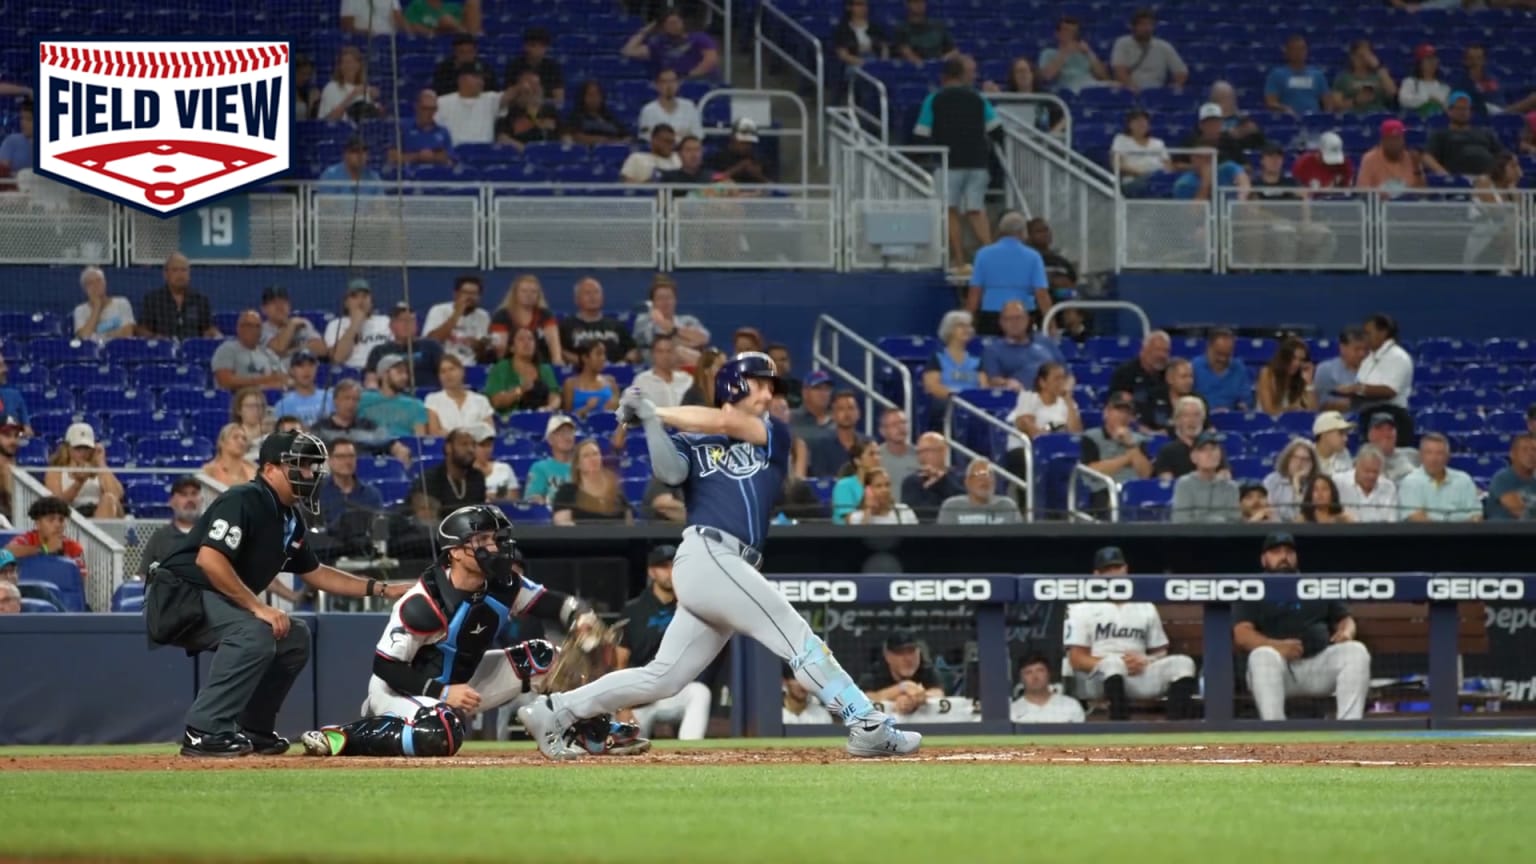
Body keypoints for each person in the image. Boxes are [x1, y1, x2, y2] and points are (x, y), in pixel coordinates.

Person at [518, 353, 921, 759]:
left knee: (663, 677)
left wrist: (654, 410)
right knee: (798, 639)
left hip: (726, 565)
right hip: (708, 553)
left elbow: (727, 423)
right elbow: (670, 473)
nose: (769, 393)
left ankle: (555, 709)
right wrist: (652, 424)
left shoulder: (774, 433)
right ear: (735, 386)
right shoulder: (691, 441)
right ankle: (866, 723)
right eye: (760, 384)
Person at [300, 504, 645, 758]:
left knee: (545, 657)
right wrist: (442, 692)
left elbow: (554, 604)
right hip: (402, 691)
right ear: (454, 552)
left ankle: (590, 732)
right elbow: (386, 666)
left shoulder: (504, 583)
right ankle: (349, 735)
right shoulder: (423, 601)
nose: (492, 547)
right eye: (480, 540)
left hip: (463, 685)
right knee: (441, 733)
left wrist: (581, 617)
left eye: (493, 538)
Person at [147, 433, 409, 756]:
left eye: (312, 467)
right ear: (270, 469)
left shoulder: (289, 518)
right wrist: (259, 607)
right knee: (256, 632)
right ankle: (204, 730)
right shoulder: (243, 498)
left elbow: (316, 572)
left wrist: (383, 589)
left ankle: (252, 728)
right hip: (178, 595)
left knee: (294, 637)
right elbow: (209, 560)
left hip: (213, 597)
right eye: (300, 466)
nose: (309, 474)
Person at [1233, 533, 1371, 721]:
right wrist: (1277, 647)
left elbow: (1345, 618)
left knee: (1356, 651)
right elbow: (1242, 633)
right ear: (1263, 559)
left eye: (1289, 552)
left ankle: (1349, 729)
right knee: (1262, 656)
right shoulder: (1252, 588)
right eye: (1276, 552)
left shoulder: (1316, 584)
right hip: (1276, 670)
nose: (1284, 557)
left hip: (1318, 667)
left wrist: (1345, 632)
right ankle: (1275, 731)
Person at [1065, 547, 1199, 721]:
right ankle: (1120, 725)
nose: (1113, 574)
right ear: (1096, 575)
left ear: (1125, 570)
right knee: (1113, 663)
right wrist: (1116, 663)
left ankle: (1175, 728)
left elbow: (1160, 651)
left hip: (1140, 672)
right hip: (1100, 679)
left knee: (1183, 663)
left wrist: (1145, 660)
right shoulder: (1081, 608)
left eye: (1117, 568)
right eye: (1107, 570)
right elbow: (1076, 659)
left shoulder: (1145, 606)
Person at [612, 544, 713, 741]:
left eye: (674, 566)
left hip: (674, 692)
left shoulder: (691, 607)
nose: (670, 572)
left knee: (699, 692)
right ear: (652, 572)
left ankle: (689, 751)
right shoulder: (634, 610)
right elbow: (619, 662)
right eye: (663, 567)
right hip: (640, 698)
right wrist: (622, 707)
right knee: (629, 745)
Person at [44, 423, 124, 518]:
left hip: (98, 513)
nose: (83, 452)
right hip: (71, 517)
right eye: (78, 448)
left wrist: (101, 463)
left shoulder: (99, 471)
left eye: (87, 448)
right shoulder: (55, 472)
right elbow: (56, 505)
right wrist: (79, 483)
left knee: (109, 499)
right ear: (67, 447)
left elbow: (116, 495)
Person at [4, 496, 90, 582]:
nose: (58, 525)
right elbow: (6, 553)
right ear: (38, 524)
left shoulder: (73, 547)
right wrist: (45, 549)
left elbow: (80, 580)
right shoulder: (27, 539)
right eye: (51, 520)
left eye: (61, 520)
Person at [551, 440, 634, 525]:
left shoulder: (615, 493)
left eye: (595, 454)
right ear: (577, 464)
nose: (592, 459)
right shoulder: (567, 492)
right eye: (586, 456)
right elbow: (563, 524)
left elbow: (629, 524)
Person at [485, 327, 562, 415]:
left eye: (530, 339)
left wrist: (549, 408)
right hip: (511, 419)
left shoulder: (545, 369)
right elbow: (495, 402)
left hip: (542, 416)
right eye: (521, 339)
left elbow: (555, 396)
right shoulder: (501, 368)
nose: (527, 342)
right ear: (512, 348)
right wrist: (520, 390)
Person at [139, 477, 204, 577]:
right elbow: (143, 575)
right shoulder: (160, 537)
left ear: (202, 500)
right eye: (184, 495)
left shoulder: (211, 534)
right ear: (172, 502)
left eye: (194, 494)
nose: (190, 499)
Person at [1255, 336, 1317, 417]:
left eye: (1301, 360)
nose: (1297, 363)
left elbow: (1312, 412)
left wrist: (1309, 383)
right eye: (1293, 358)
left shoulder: (1301, 377)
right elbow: (1269, 411)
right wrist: (1291, 409)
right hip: (1266, 423)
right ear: (1284, 357)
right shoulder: (1267, 373)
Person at [562, 341, 621, 420]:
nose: (603, 358)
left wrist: (614, 408)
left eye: (604, 354)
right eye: (598, 354)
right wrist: (587, 408)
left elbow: (620, 414)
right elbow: (566, 418)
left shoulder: (610, 381)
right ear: (585, 358)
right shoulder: (570, 384)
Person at [847, 468, 917, 525]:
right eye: (878, 486)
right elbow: (858, 537)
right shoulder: (856, 517)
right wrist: (868, 512)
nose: (885, 490)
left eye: (887, 485)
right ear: (868, 490)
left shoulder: (904, 511)